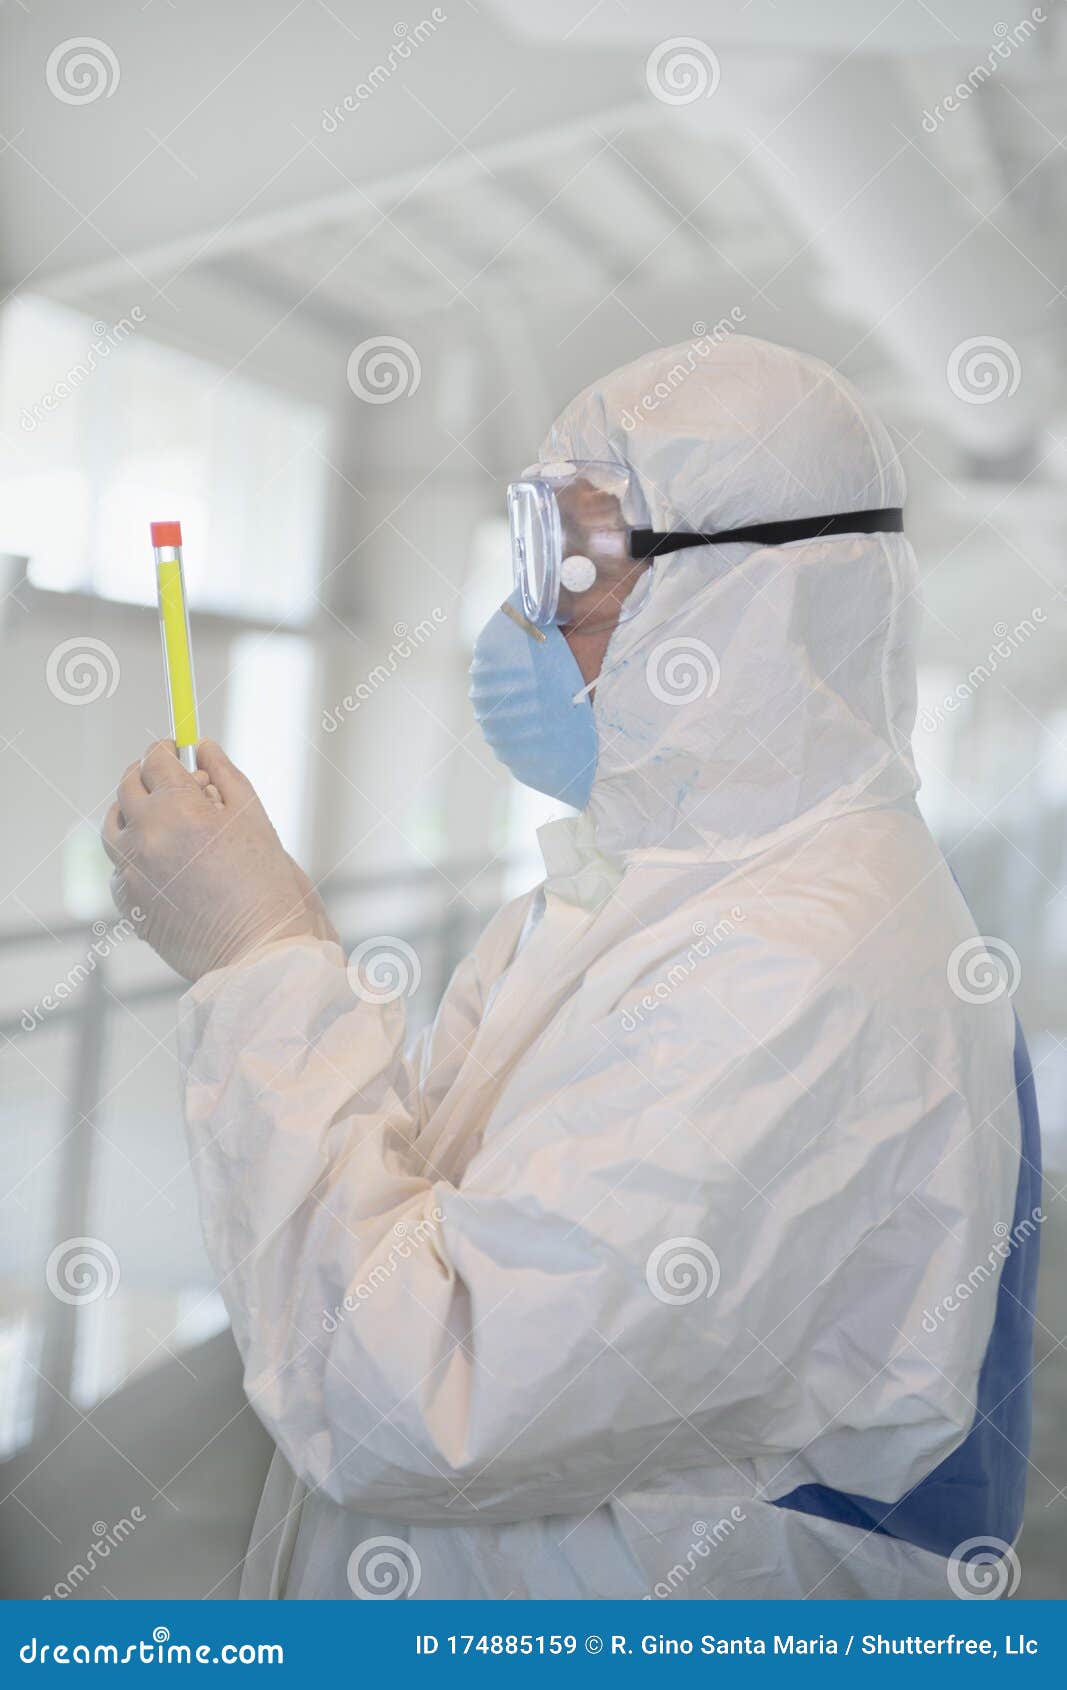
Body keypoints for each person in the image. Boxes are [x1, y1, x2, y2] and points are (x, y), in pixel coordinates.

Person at [103, 335, 1039, 1601]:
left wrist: (263, 958)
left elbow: (420, 1388)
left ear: (750, 596)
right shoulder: (654, 885)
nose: (523, 619)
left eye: (578, 563)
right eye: (531, 551)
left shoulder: (793, 966)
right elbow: (432, 1219)